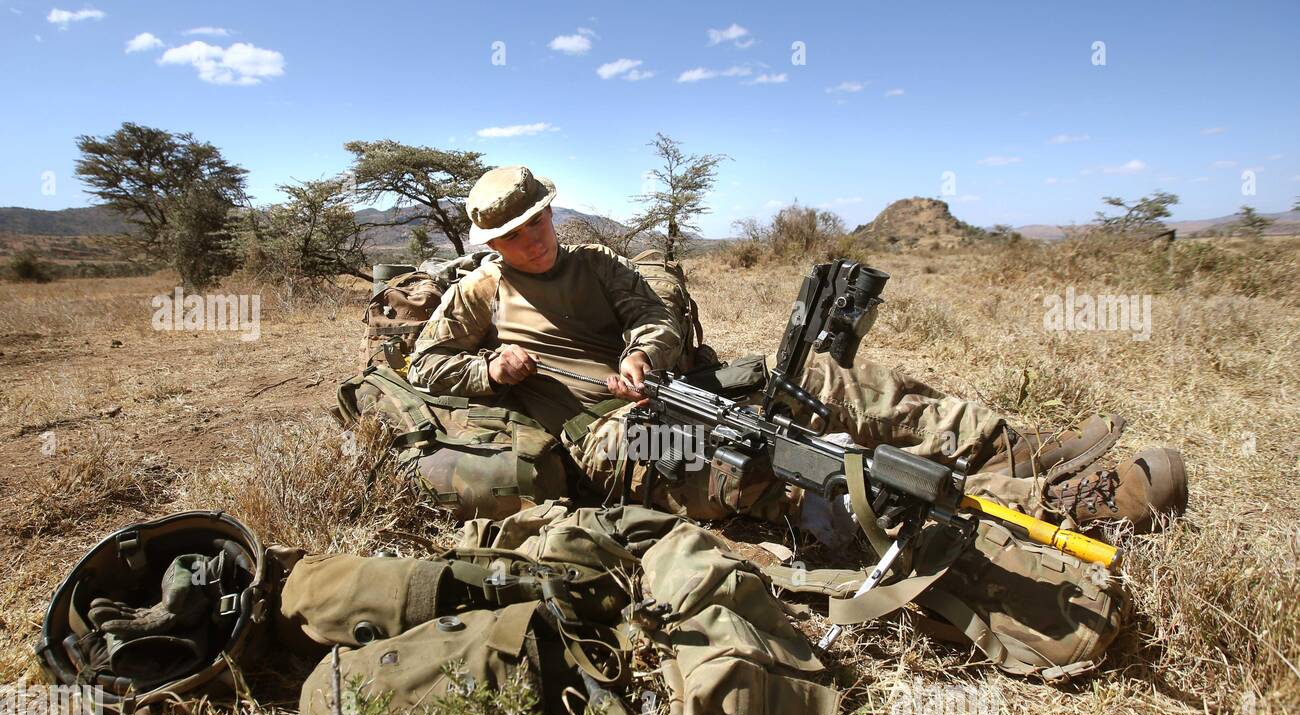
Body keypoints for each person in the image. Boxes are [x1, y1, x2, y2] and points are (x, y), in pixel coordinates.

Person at [408, 165, 1187, 533]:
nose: (534, 239)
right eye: (515, 233)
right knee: (773, 460)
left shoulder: (598, 263)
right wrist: (490, 367)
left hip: (672, 386)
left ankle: (1015, 447)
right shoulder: (480, 293)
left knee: (826, 380)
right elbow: (426, 363)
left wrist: (647, 354)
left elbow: (655, 319)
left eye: (540, 220)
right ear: (495, 241)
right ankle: (1040, 512)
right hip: (609, 436)